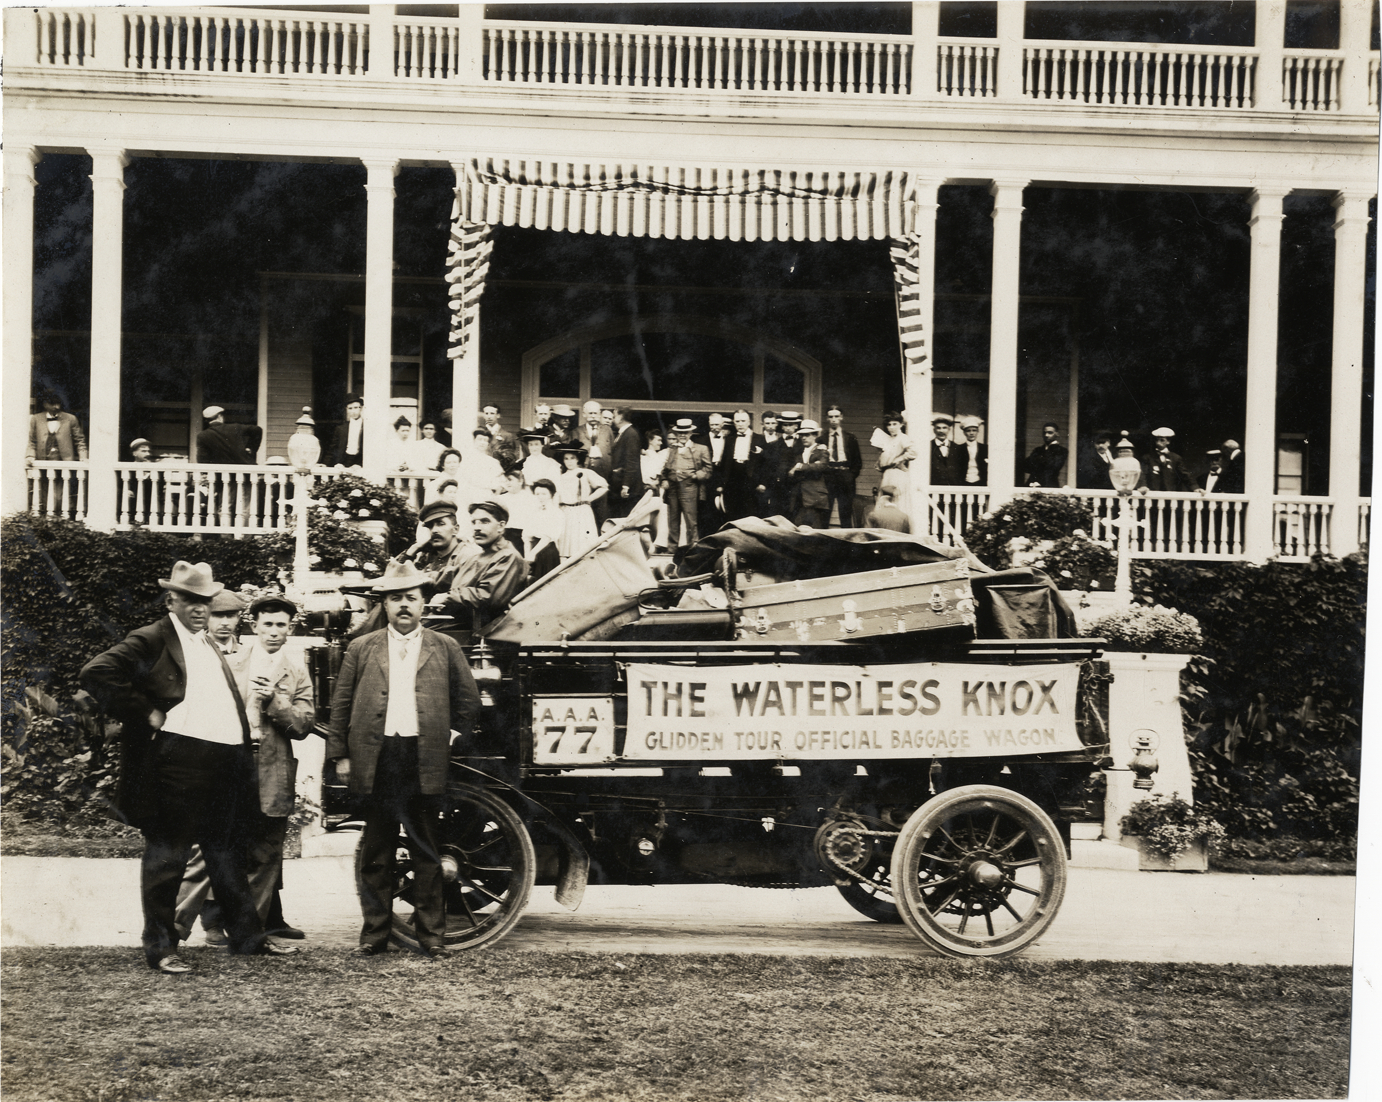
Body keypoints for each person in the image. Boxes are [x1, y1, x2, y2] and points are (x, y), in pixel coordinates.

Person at [79, 561, 289, 973]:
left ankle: (248, 939)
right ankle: (161, 948)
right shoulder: (153, 637)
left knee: (227, 853)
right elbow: (96, 672)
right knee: (168, 855)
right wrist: (146, 711)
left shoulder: (205, 641)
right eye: (190, 600)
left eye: (205, 600)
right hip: (179, 762)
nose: (199, 608)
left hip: (224, 760)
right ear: (172, 599)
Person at [327, 560, 481, 958]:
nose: (404, 606)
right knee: (376, 851)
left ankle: (432, 937)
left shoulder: (444, 647)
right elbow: (341, 705)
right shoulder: (362, 648)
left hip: (422, 757)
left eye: (411, 598)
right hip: (376, 759)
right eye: (396, 599)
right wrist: (341, 755)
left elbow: (468, 701)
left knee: (425, 848)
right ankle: (374, 935)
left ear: (423, 603)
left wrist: (448, 737)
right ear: (386, 605)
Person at [175, 591, 314, 950]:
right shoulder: (231, 664)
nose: (273, 632)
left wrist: (277, 702)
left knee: (264, 857)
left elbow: (303, 725)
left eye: (281, 625)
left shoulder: (297, 671)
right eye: (267, 624)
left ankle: (249, 936)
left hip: (272, 773)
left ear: (290, 628)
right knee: (210, 851)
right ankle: (172, 929)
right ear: (253, 625)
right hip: (228, 769)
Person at [430, 501, 531, 633]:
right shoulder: (478, 557)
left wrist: (447, 597)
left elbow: (487, 596)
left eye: (484, 521)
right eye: (474, 522)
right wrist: (418, 578)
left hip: (480, 632)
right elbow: (448, 576)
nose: (477, 528)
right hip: (457, 624)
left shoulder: (508, 557)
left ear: (501, 526)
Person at [658, 418, 713, 547]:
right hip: (672, 488)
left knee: (690, 519)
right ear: (676, 434)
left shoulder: (700, 449)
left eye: (685, 432)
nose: (682, 435)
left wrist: (696, 475)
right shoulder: (672, 449)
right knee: (673, 519)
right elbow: (665, 469)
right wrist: (664, 479)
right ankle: (672, 548)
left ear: (690, 433)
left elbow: (708, 469)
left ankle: (692, 547)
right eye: (679, 433)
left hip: (689, 487)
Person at [400, 500, 474, 593]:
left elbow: (445, 580)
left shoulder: (467, 555)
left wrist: (416, 576)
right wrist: (411, 551)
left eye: (441, 524)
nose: (434, 530)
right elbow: (395, 579)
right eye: (430, 526)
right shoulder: (426, 558)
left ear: (455, 529)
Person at [555, 444, 608, 558]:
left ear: (578, 459)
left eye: (572, 458)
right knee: (565, 544)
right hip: (565, 512)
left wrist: (588, 499)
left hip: (581, 511)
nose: (569, 461)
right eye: (566, 458)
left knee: (582, 544)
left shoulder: (585, 473)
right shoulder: (560, 476)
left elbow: (604, 487)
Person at [718, 409, 766, 523]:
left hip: (751, 482)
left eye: (743, 421)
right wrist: (721, 484)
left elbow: (765, 464)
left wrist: (762, 482)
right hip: (732, 481)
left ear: (749, 422)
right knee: (733, 515)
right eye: (737, 421)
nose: (740, 424)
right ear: (734, 423)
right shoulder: (729, 439)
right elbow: (724, 463)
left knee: (750, 515)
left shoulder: (759, 438)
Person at [576, 401, 616, 527]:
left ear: (599, 414)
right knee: (584, 507)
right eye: (590, 413)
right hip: (584, 476)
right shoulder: (576, 431)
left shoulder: (607, 430)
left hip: (603, 475)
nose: (593, 416)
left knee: (602, 510)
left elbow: (612, 450)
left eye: (596, 413)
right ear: (584, 414)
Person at [822, 405, 862, 527]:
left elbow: (857, 462)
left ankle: (846, 545)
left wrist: (850, 476)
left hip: (845, 476)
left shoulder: (850, 437)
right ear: (827, 419)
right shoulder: (821, 438)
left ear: (841, 417)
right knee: (824, 513)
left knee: (845, 514)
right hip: (828, 477)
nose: (834, 419)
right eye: (831, 417)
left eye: (836, 416)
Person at [787, 419, 832, 527]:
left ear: (815, 435)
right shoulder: (799, 452)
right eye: (802, 435)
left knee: (815, 532)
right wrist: (809, 466)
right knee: (797, 529)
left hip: (815, 499)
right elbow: (790, 473)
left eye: (807, 435)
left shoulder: (822, 451)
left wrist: (800, 466)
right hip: (799, 498)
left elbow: (821, 466)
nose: (804, 438)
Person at [26, 390, 89, 464]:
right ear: (45, 404)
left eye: (58, 403)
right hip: (42, 462)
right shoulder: (36, 419)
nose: (56, 407)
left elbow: (80, 440)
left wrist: (83, 457)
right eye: (52, 403)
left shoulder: (71, 418)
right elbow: (32, 441)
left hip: (65, 463)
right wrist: (30, 456)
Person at [761, 410, 804, 517]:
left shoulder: (803, 444)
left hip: (798, 488)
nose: (788, 428)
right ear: (782, 427)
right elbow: (768, 467)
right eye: (785, 425)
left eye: (791, 425)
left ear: (796, 426)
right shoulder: (773, 445)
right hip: (778, 488)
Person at [524, 478, 564, 581]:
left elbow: (547, 537)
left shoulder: (556, 513)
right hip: (533, 549)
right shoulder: (533, 512)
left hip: (547, 552)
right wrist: (527, 555)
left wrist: (532, 554)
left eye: (544, 494)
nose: (540, 497)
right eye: (537, 494)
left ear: (551, 495)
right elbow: (527, 536)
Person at [607, 406, 644, 518]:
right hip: (620, 485)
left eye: (615, 416)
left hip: (629, 489)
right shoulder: (623, 433)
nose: (613, 419)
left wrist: (626, 485)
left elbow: (632, 461)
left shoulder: (630, 434)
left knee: (625, 518)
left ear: (621, 417)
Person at [196, 405, 261, 465]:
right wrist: (251, 448)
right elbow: (257, 429)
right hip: (245, 471)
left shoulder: (202, 435)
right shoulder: (235, 427)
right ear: (219, 416)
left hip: (221, 474)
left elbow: (202, 459)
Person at [875, 412, 915, 504]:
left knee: (896, 503)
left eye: (894, 424)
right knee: (885, 504)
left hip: (897, 475)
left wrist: (900, 460)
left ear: (901, 424)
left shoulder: (903, 438)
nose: (891, 427)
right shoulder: (889, 440)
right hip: (887, 475)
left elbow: (913, 452)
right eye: (889, 425)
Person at [1142, 427, 1194, 492]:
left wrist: (1195, 488)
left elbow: (1185, 475)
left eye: (1162, 440)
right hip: (1153, 494)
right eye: (1156, 440)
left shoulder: (1175, 458)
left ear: (1168, 442)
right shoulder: (1148, 457)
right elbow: (1143, 474)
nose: (1158, 443)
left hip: (1170, 495)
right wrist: (1143, 486)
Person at [1023, 422, 1067, 488]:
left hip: (1049, 485)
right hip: (1031, 485)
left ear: (1057, 434)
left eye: (1050, 433)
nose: (1046, 435)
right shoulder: (1037, 450)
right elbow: (1026, 467)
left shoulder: (1062, 450)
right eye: (1044, 432)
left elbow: (1053, 467)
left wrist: (1038, 460)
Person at [480, 403, 521, 471]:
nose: (489, 416)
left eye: (492, 413)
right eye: (486, 413)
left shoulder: (507, 436)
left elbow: (510, 459)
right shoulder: (479, 435)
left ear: (498, 415)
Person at [329, 394, 365, 469]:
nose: (353, 411)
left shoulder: (367, 427)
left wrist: (360, 464)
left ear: (361, 408)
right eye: (350, 408)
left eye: (356, 408)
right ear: (346, 409)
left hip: (360, 462)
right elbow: (332, 449)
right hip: (343, 462)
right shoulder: (341, 428)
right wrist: (325, 464)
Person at [957, 416, 990, 487]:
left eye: (974, 430)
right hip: (963, 483)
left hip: (982, 483)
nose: (971, 433)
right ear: (964, 433)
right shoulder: (959, 449)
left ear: (978, 431)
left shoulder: (985, 448)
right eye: (968, 431)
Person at [928, 415, 960, 486]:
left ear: (949, 430)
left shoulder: (956, 447)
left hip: (953, 487)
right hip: (934, 487)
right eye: (938, 428)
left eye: (944, 428)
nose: (941, 431)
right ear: (934, 430)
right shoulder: (928, 447)